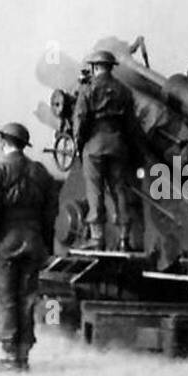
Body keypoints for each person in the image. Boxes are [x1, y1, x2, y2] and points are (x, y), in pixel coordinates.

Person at [0, 122, 59, 371]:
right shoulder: (40, 172)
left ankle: (9, 356)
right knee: (27, 297)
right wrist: (46, 244)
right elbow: (51, 212)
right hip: (33, 241)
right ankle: (24, 354)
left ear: (3, 142)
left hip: (6, 241)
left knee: (4, 297)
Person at [73, 48, 138, 250]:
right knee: (119, 190)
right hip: (118, 145)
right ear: (111, 68)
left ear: (94, 67)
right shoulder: (124, 91)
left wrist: (78, 142)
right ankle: (124, 239)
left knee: (95, 189)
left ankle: (97, 238)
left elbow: (80, 119)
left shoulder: (88, 89)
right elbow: (131, 124)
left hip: (94, 144)